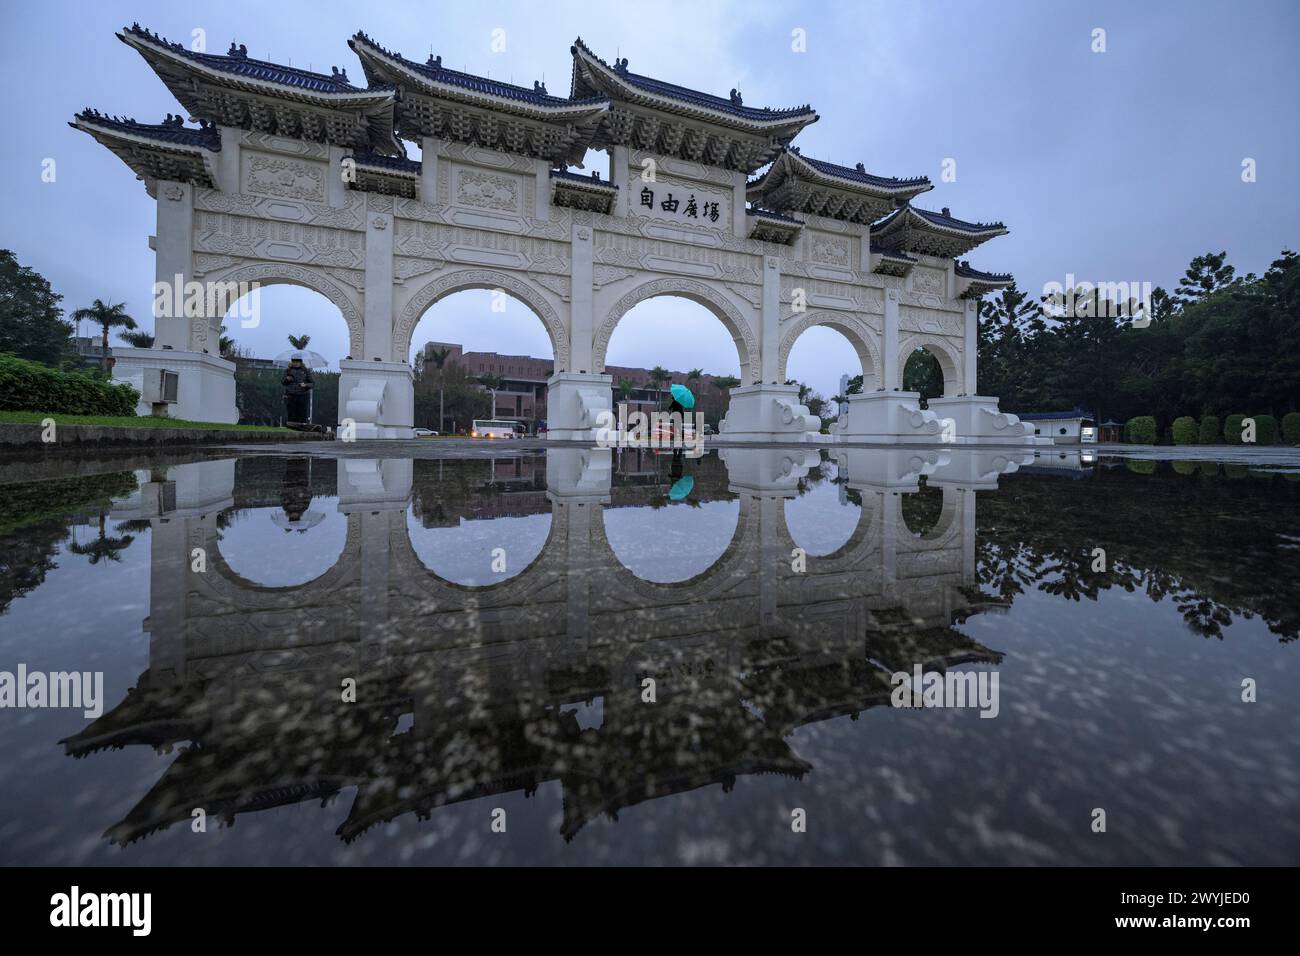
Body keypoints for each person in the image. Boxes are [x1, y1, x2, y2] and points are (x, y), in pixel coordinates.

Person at [282, 357, 313, 425]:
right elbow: (283, 382)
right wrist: (287, 379)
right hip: (290, 395)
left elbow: (312, 384)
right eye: (294, 362)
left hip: (303, 396)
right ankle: (291, 428)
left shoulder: (306, 371)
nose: (295, 363)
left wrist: (305, 385)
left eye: (297, 362)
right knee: (291, 415)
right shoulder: (287, 370)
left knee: (302, 415)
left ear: (301, 362)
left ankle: (302, 429)